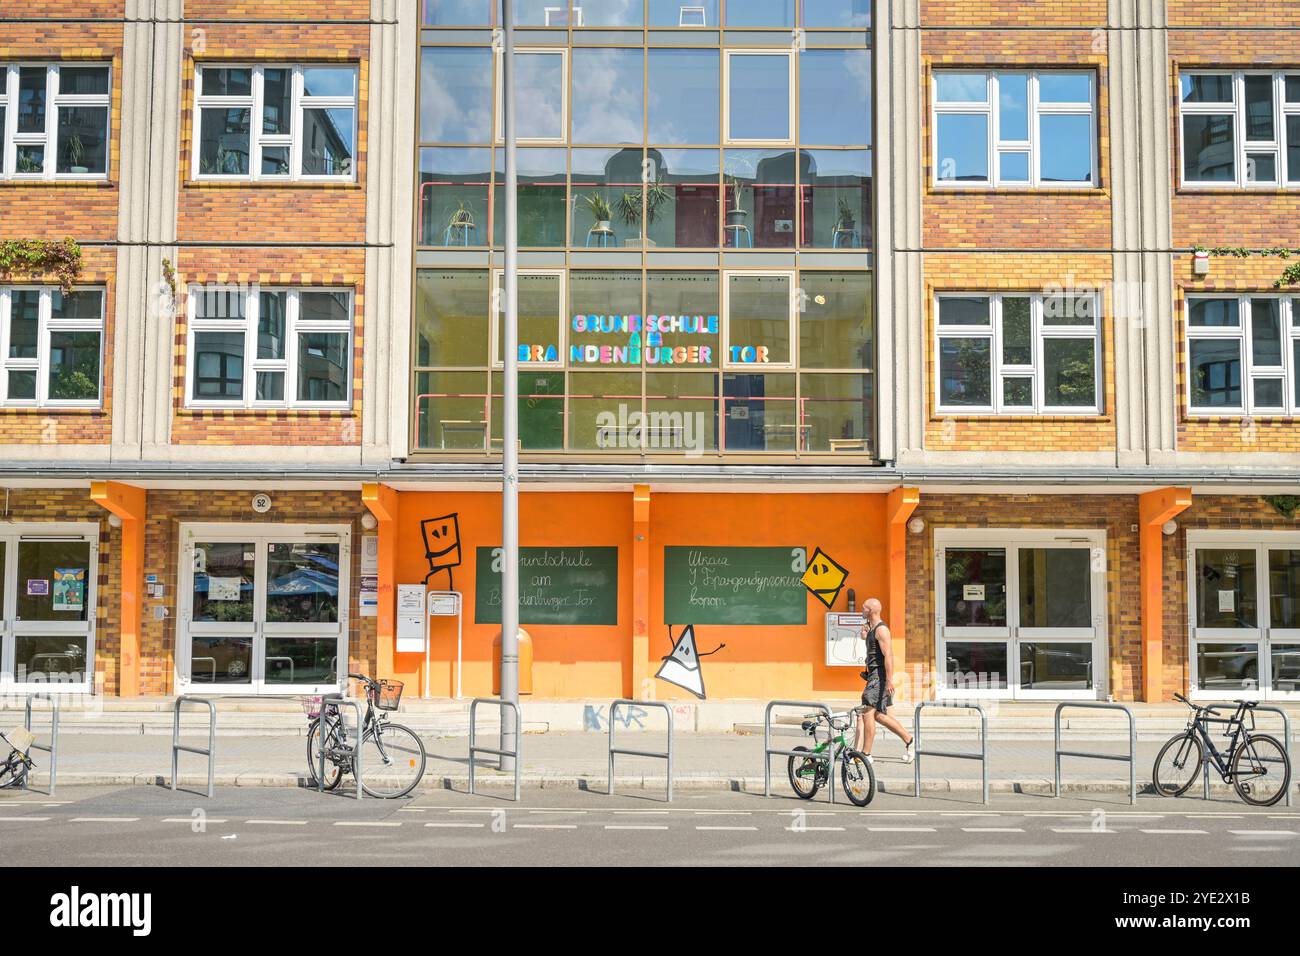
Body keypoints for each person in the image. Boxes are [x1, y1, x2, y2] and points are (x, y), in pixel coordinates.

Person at [855, 598, 914, 763]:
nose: (861, 609)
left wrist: (889, 681)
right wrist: (865, 635)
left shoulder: (882, 630)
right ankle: (910, 741)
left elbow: (888, 655)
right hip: (874, 675)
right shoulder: (872, 628)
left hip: (879, 677)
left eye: (863, 607)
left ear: (870, 611)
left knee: (867, 712)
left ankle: (865, 754)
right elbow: (872, 646)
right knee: (879, 715)